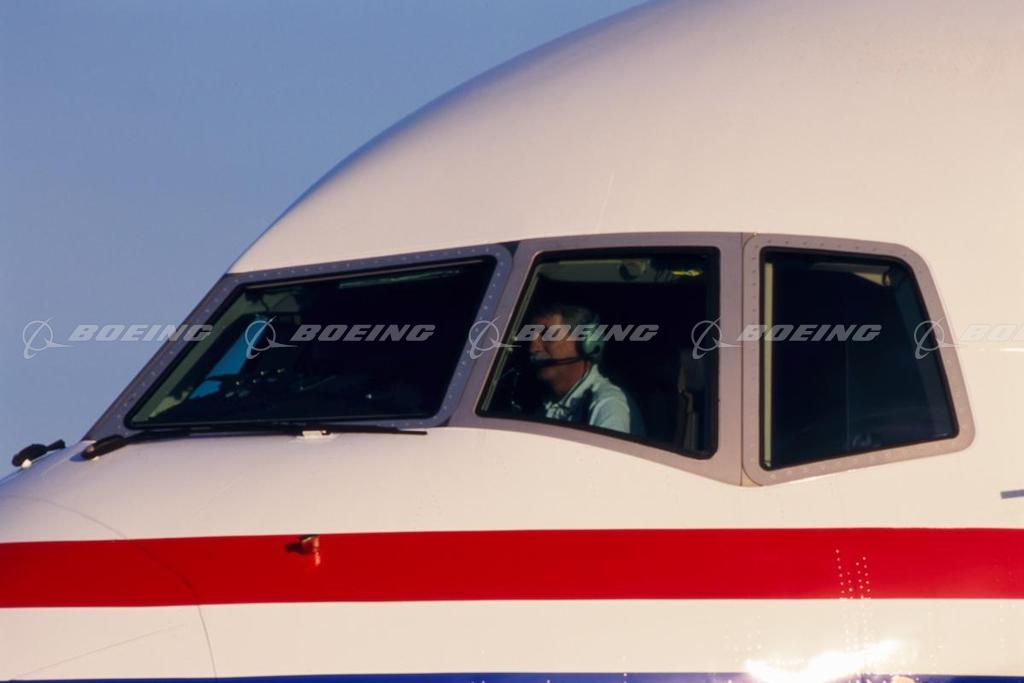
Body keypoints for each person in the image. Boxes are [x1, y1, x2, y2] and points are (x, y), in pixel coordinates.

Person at [525, 303, 644, 436]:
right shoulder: (545, 402)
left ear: (586, 343)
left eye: (547, 335)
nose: (533, 348)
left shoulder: (608, 405)